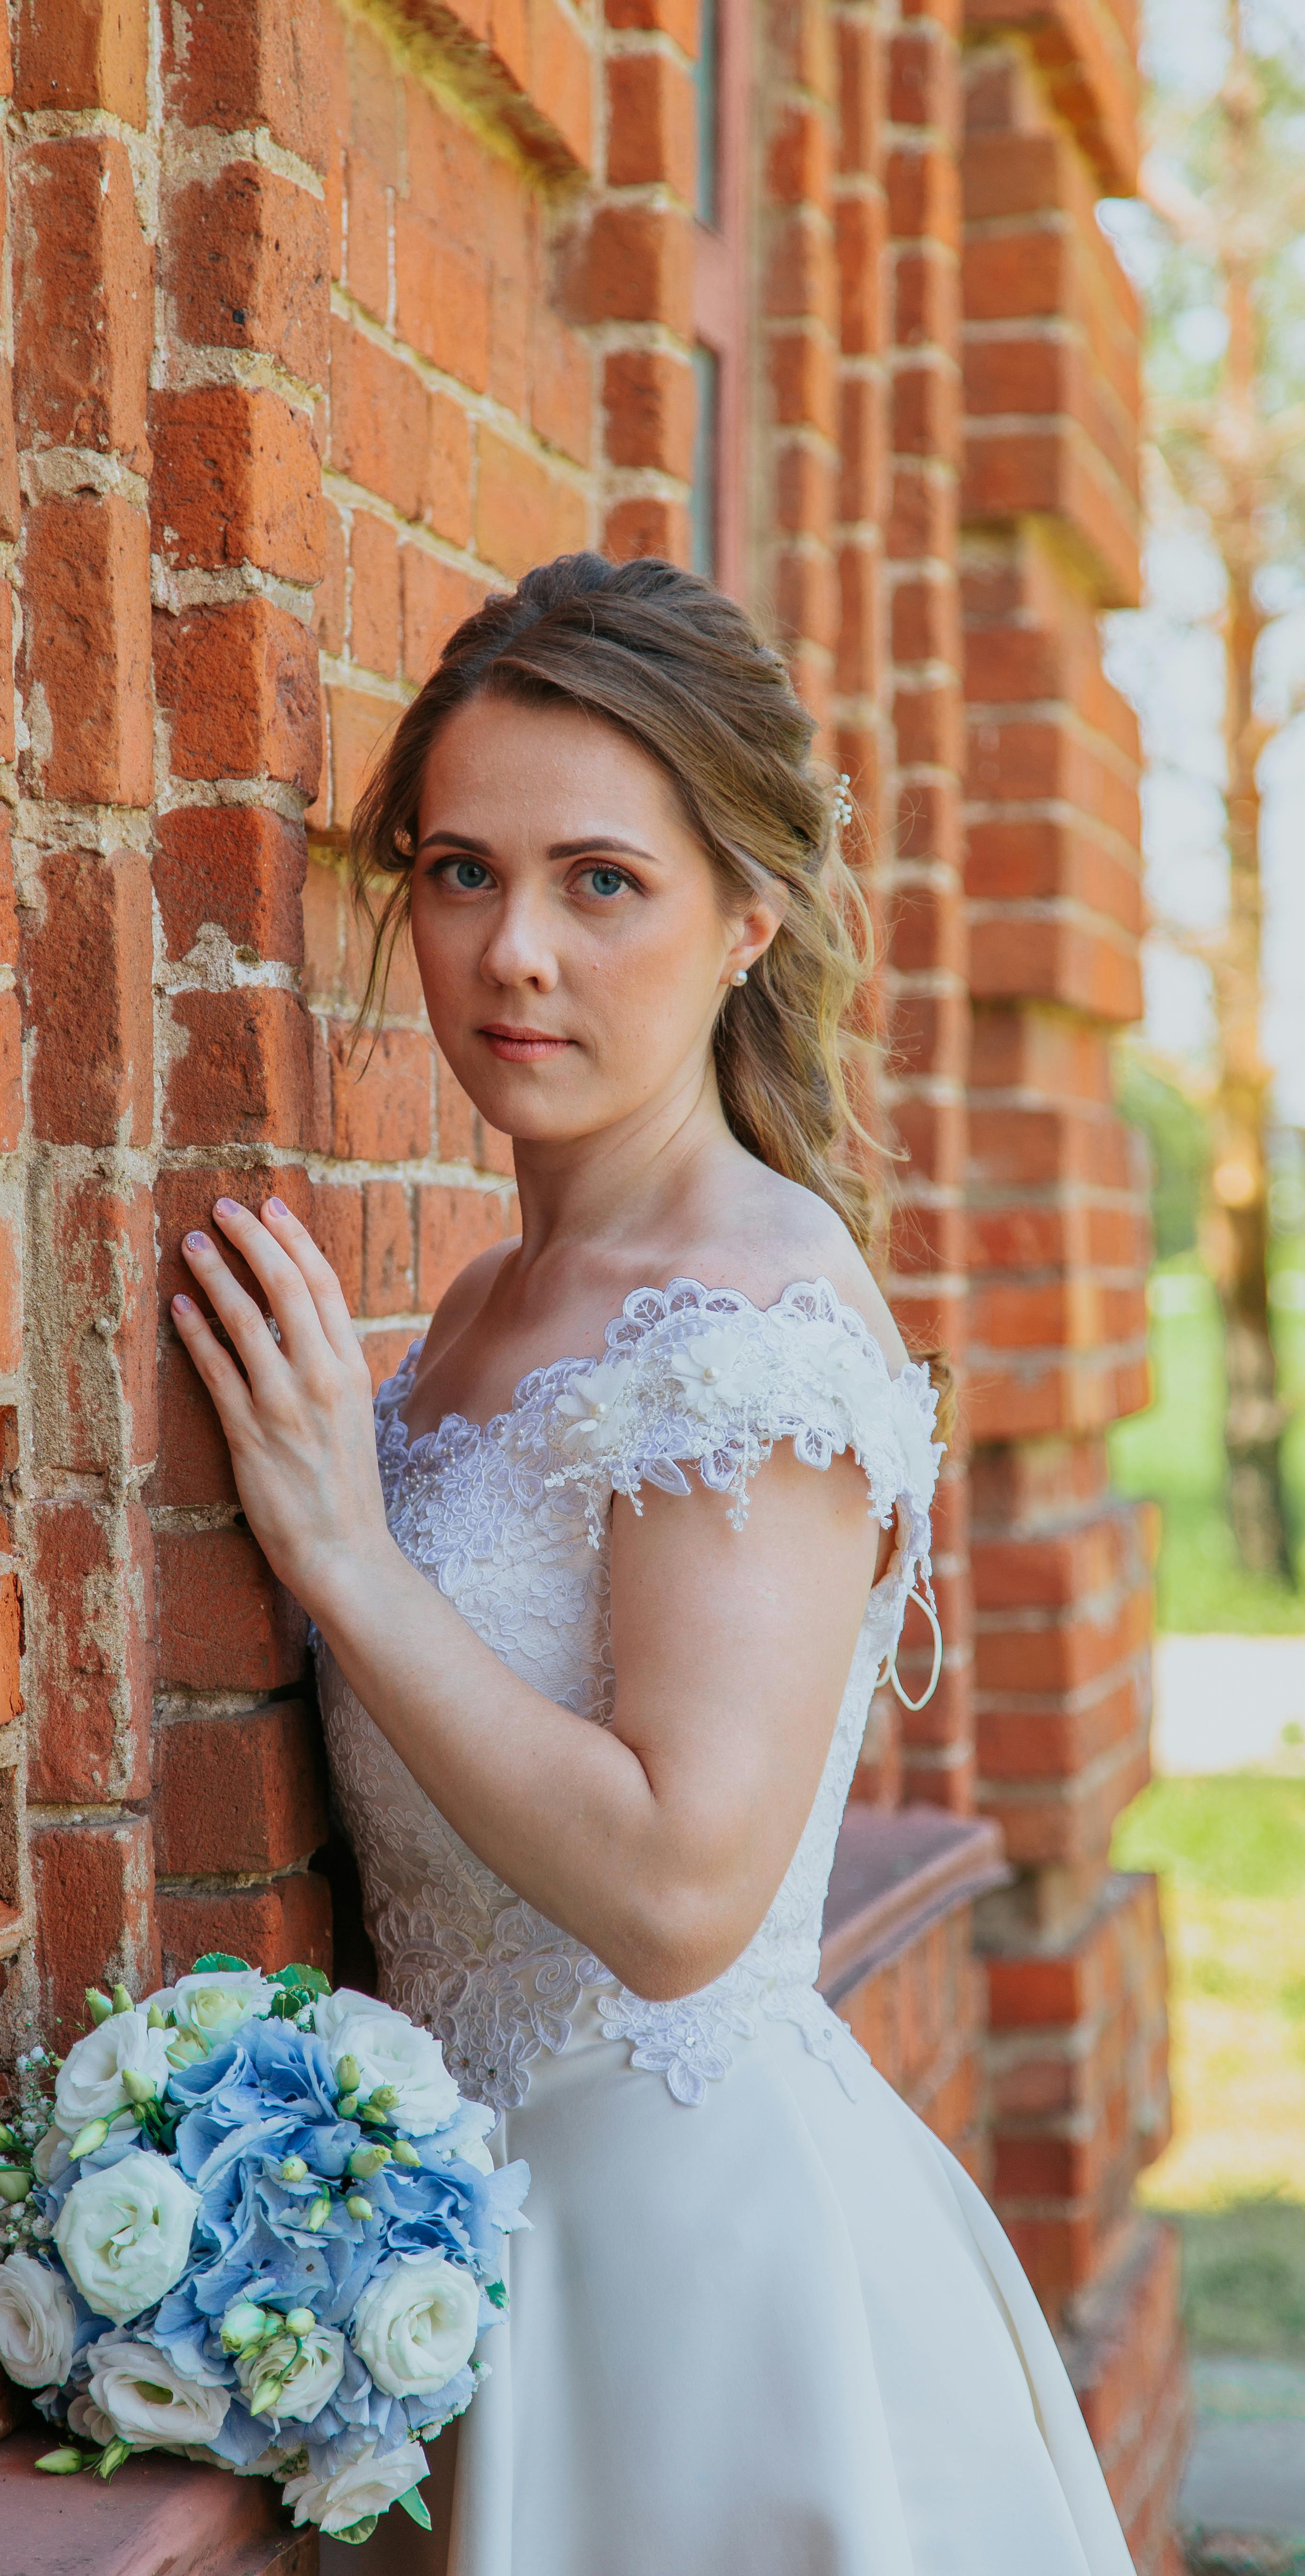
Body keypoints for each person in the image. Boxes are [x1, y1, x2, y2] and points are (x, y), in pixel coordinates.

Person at [169, 554, 1135, 2575]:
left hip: (704, 2281)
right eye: (458, 874)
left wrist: (344, 1551)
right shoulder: (486, 1308)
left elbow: (686, 1891)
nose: (513, 951)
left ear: (747, 919)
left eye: (602, 882)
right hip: (473, 2271)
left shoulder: (749, 1329)